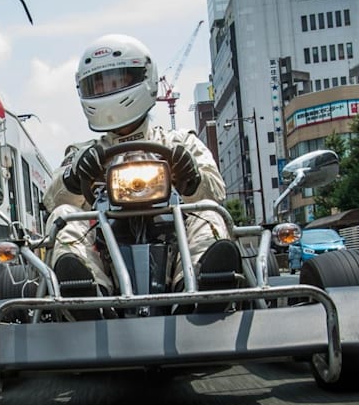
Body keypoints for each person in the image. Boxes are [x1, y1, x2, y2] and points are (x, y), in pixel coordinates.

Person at [43, 34, 242, 313]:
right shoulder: (81, 153)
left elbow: (216, 192)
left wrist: (190, 179)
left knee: (208, 212)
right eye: (99, 84)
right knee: (63, 218)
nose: (109, 90)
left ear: (145, 78)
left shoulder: (179, 143)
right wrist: (74, 178)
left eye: (118, 81)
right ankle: (87, 296)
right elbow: (51, 201)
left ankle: (199, 291)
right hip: (104, 246)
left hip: (174, 238)